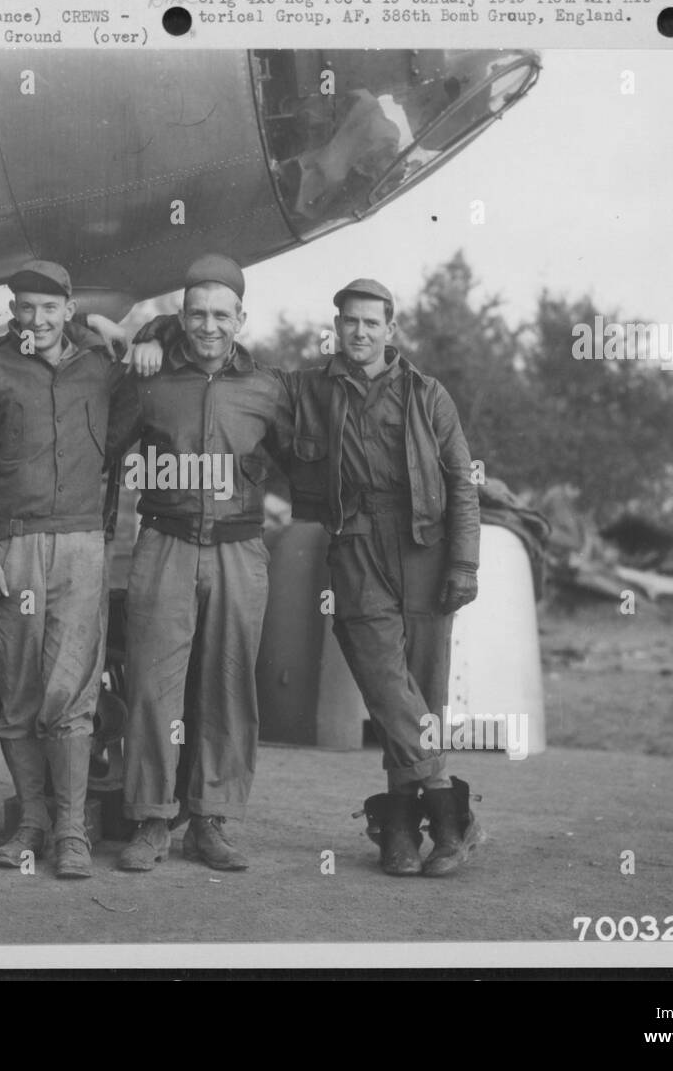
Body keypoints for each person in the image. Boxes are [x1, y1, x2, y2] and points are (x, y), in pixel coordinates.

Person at [132, 277, 483, 876]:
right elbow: (219, 355)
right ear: (336, 325)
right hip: (356, 545)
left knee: (424, 692)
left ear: (391, 331)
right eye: (350, 321)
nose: (360, 332)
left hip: (425, 548)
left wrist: (464, 561)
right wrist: (156, 329)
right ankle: (453, 807)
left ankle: (401, 823)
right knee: (386, 685)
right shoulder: (306, 389)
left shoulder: (429, 396)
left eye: (373, 323)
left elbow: (461, 484)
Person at [106, 255, 294, 873]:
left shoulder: (268, 387)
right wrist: (146, 335)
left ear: (242, 318)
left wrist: (301, 516)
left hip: (240, 551)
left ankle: (211, 821)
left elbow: (305, 461)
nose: (208, 325)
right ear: (179, 317)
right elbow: (107, 449)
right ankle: (153, 820)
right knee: (152, 687)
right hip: (163, 543)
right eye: (195, 314)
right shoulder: (151, 377)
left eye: (221, 314)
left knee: (229, 684)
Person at [0, 261, 121, 879]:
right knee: (20, 689)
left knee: (72, 693)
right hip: (14, 547)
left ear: (70, 308)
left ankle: (72, 831)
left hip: (80, 546)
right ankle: (30, 822)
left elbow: (137, 416)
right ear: (12, 310)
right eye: (25, 308)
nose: (36, 320)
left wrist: (127, 336)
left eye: (49, 308)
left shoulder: (101, 367)